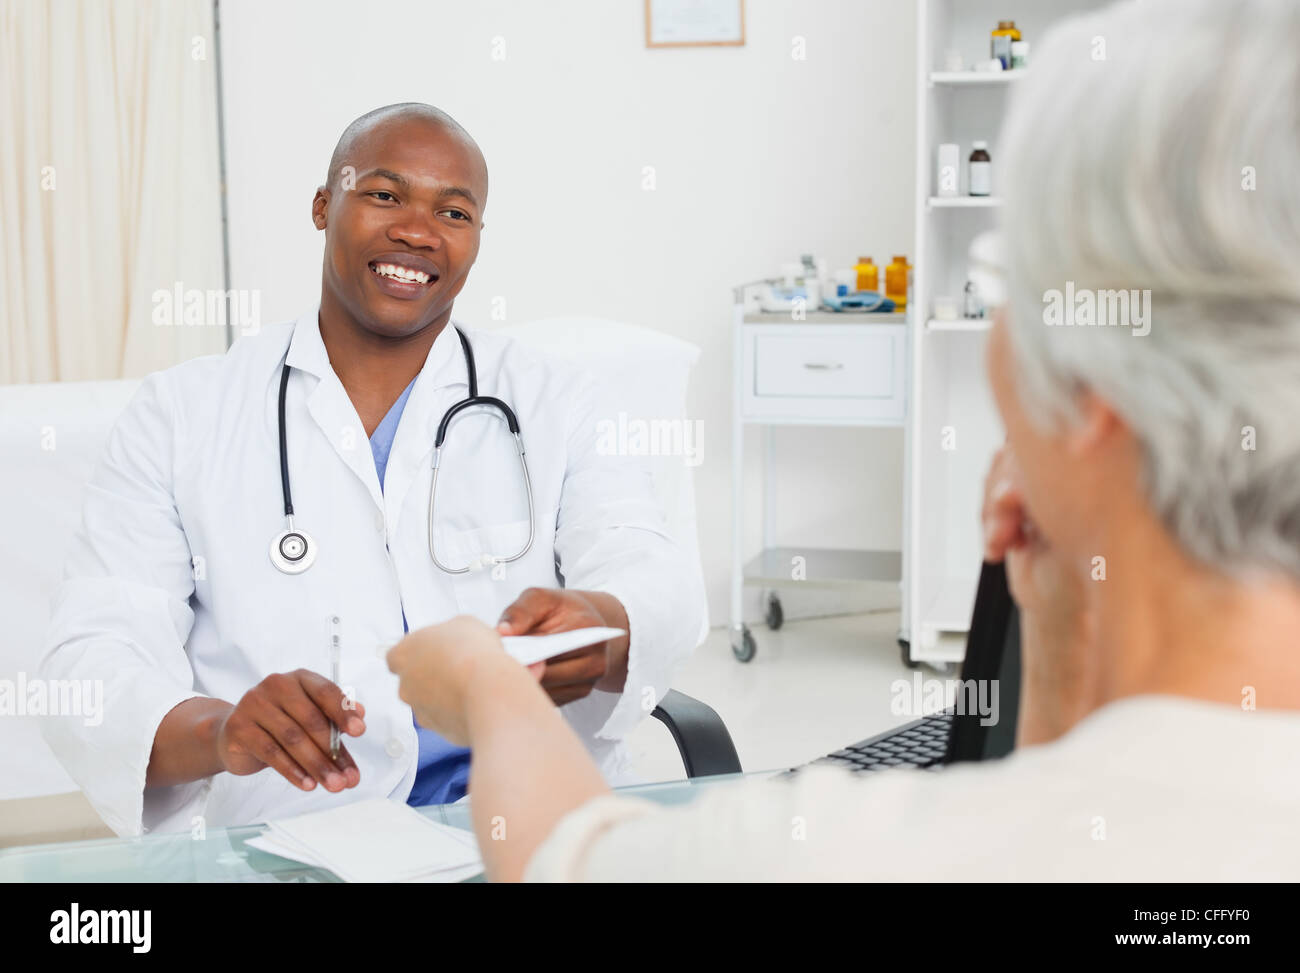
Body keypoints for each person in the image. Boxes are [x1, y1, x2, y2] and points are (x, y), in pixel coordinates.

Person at [386, 0, 1300, 881]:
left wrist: (484, 682)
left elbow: (560, 857)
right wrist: (1059, 632)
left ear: (1098, 388)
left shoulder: (853, 857)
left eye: (1002, 284)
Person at [39, 103, 706, 837]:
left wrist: (606, 624)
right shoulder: (182, 413)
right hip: (299, 837)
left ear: (477, 240)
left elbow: (650, 568)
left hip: (534, 828)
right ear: (324, 206)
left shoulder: (558, 399)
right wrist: (224, 730)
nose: (417, 230)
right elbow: (94, 657)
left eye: (453, 211)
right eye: (385, 195)